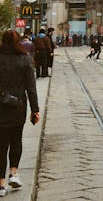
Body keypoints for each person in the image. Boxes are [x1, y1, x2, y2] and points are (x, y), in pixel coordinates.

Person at [0, 30, 41, 197]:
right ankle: (14, 173)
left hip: (0, 107)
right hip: (18, 107)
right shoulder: (25, 60)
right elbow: (31, 88)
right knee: (16, 139)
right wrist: (35, 110)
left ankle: (1, 185)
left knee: (1, 145)